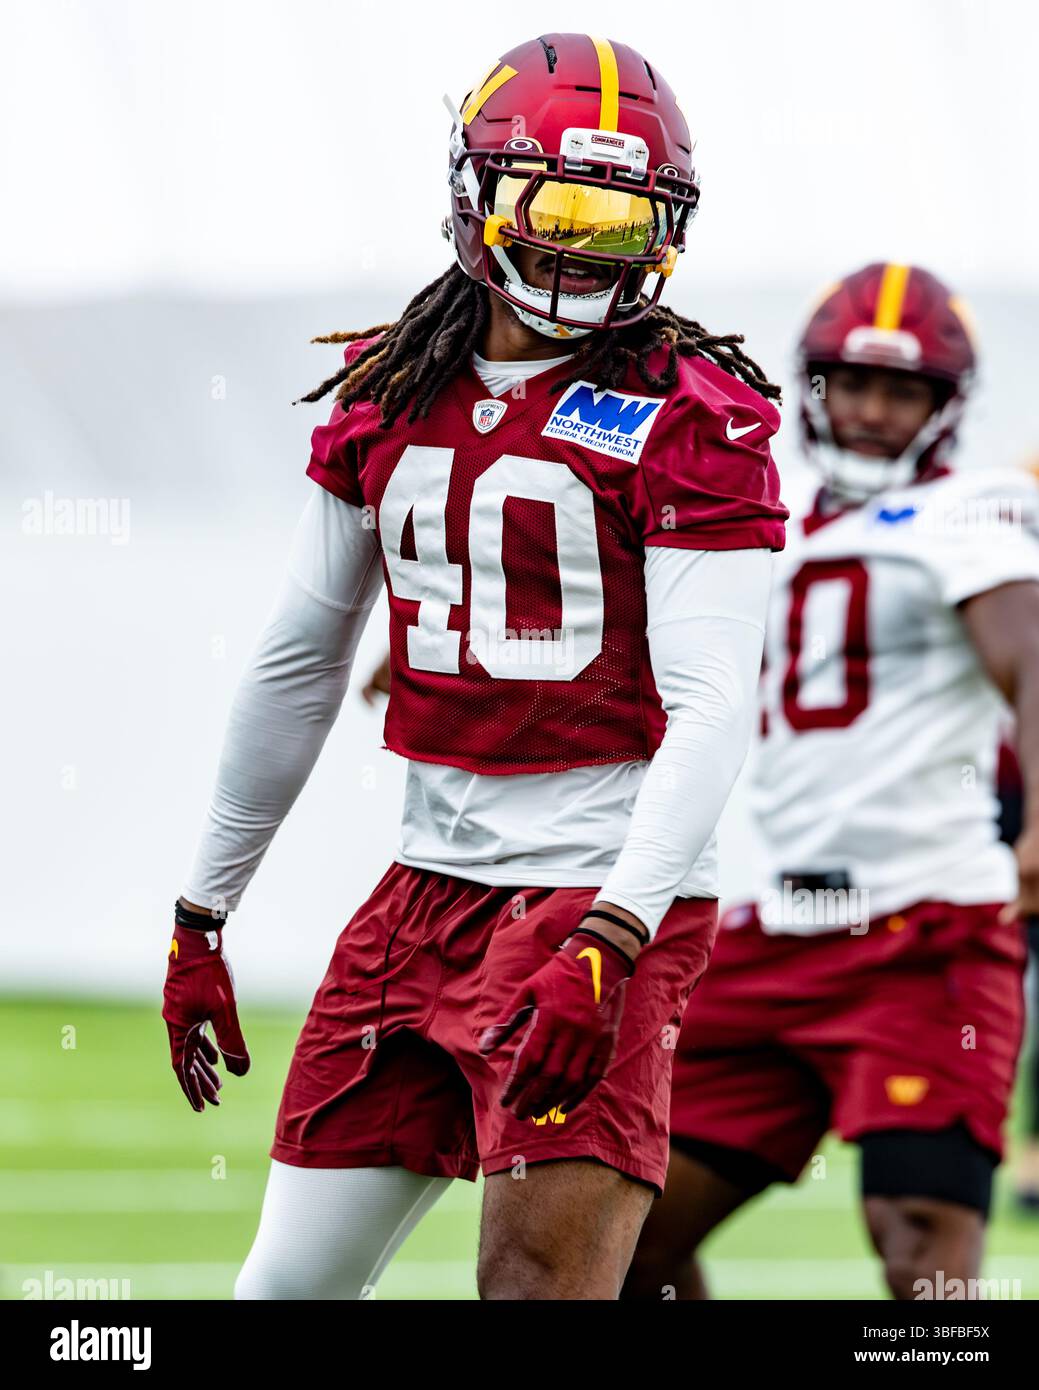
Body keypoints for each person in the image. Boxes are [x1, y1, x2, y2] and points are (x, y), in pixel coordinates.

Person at [161, 32, 787, 1300]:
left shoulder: (693, 420)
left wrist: (616, 928)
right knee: (278, 1294)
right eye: (552, 204)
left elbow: (716, 702)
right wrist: (200, 911)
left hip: (592, 893)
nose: (578, 245)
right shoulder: (393, 389)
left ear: (666, 233)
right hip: (420, 895)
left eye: (619, 219)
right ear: (474, 195)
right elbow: (295, 664)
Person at [625, 262, 1039, 1301]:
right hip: (764, 931)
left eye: (901, 391)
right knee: (618, 1233)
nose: (868, 409)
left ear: (944, 407)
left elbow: (1030, 656)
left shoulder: (975, 510)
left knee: (919, 1261)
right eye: (849, 383)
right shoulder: (761, 504)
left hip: (923, 932)